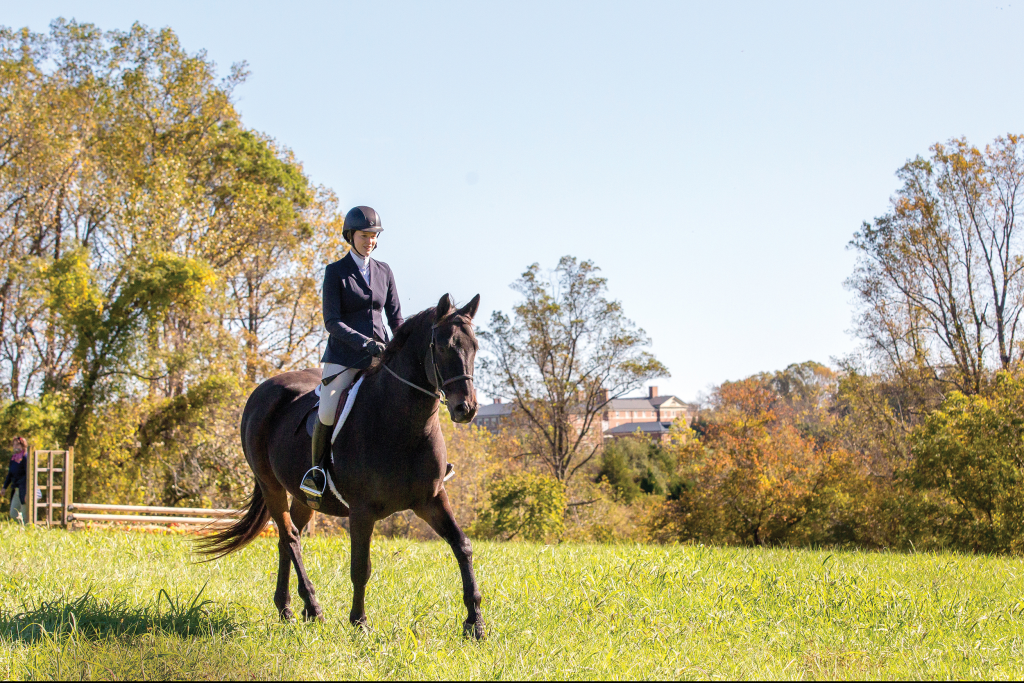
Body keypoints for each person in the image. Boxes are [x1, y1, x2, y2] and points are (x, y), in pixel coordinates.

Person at [300, 206, 404, 509]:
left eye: (373, 236)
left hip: (380, 355)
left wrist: (404, 345)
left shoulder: (384, 271)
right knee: (329, 406)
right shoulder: (336, 272)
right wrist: (363, 342)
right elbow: (331, 321)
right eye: (363, 235)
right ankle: (316, 471)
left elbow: (395, 317)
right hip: (344, 356)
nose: (369, 240)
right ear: (351, 236)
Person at [3, 437, 28, 525]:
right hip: (16, 489)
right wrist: (4, 487)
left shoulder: (25, 457)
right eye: (14, 444)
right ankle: (22, 528)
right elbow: (10, 474)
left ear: (22, 446)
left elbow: (28, 475)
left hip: (25, 489)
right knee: (13, 514)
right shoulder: (13, 458)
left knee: (26, 516)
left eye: (17, 444)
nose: (15, 446)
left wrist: (26, 492)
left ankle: (28, 532)